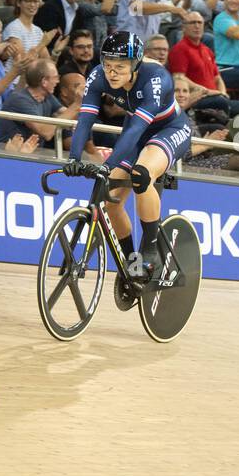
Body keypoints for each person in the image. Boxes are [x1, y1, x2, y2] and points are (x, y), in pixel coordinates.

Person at [64, 32, 194, 306]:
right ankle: (129, 264)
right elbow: (85, 119)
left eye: (120, 66)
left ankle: (149, 252)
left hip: (169, 131)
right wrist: (74, 158)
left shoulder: (155, 78)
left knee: (141, 174)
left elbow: (136, 130)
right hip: (137, 133)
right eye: (108, 64)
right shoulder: (98, 75)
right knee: (110, 199)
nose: (112, 72)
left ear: (135, 64)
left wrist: (107, 165)